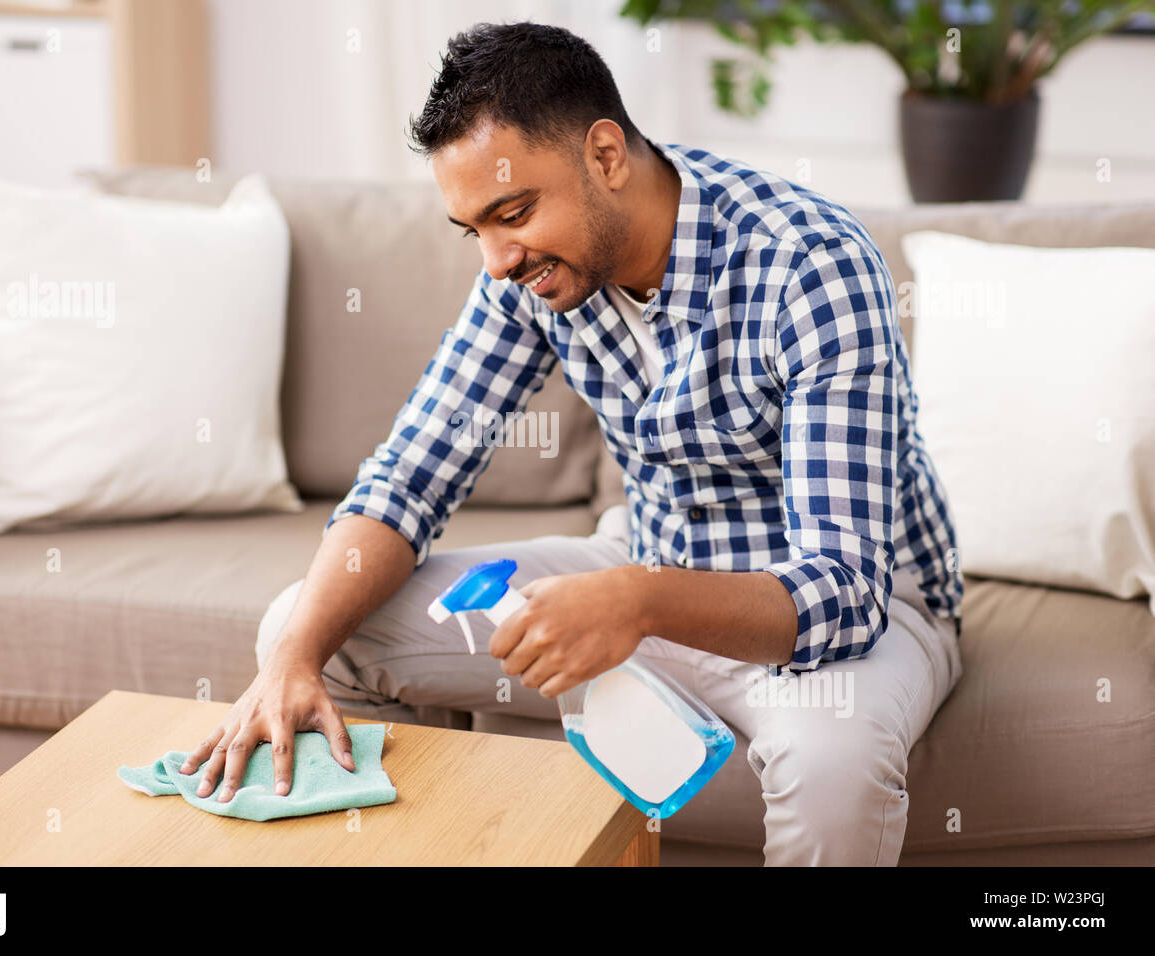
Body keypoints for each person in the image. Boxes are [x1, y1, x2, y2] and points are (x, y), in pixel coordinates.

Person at [179, 20, 964, 866]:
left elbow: (844, 591)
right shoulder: (532, 268)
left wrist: (636, 602)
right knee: (303, 628)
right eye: (473, 228)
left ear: (605, 156)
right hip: (647, 558)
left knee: (833, 764)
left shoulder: (807, 264)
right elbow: (409, 478)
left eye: (512, 213)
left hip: (854, 604)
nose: (496, 260)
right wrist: (293, 656)